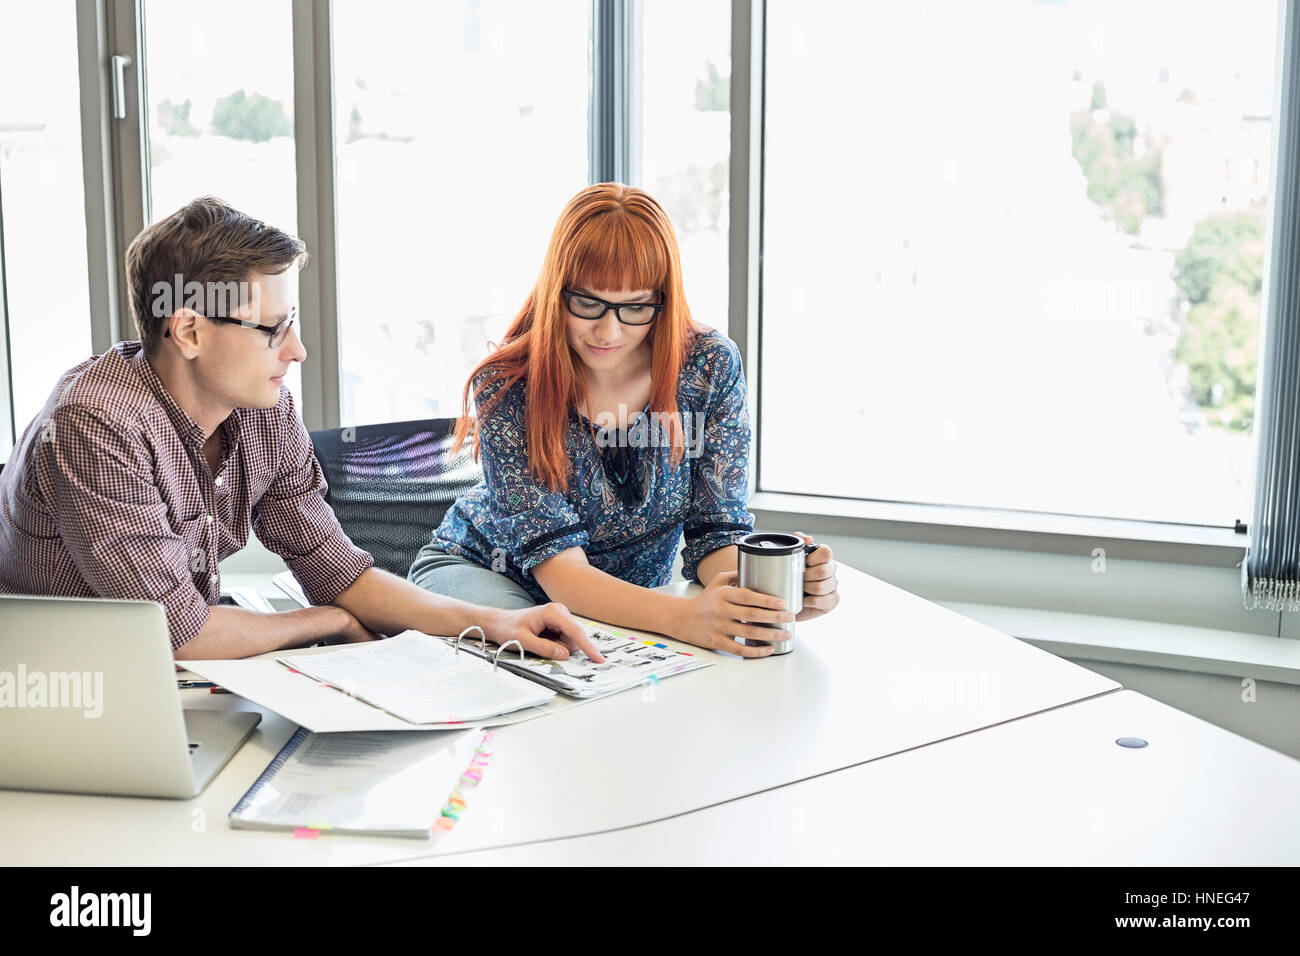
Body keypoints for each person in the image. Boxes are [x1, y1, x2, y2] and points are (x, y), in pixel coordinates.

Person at [0, 197, 601, 662]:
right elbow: (180, 634)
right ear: (188, 332)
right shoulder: (95, 426)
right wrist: (326, 622)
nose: (298, 350)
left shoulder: (262, 404)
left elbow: (336, 571)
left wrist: (490, 621)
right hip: (60, 682)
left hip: (161, 669)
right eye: (273, 329)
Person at [409, 183, 838, 658]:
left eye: (635, 307)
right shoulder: (510, 386)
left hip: (625, 609)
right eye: (588, 303)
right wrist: (684, 619)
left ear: (663, 301)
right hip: (483, 576)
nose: (608, 331)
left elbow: (715, 534)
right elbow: (561, 572)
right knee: (549, 656)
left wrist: (777, 591)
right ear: (558, 291)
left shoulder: (710, 367)